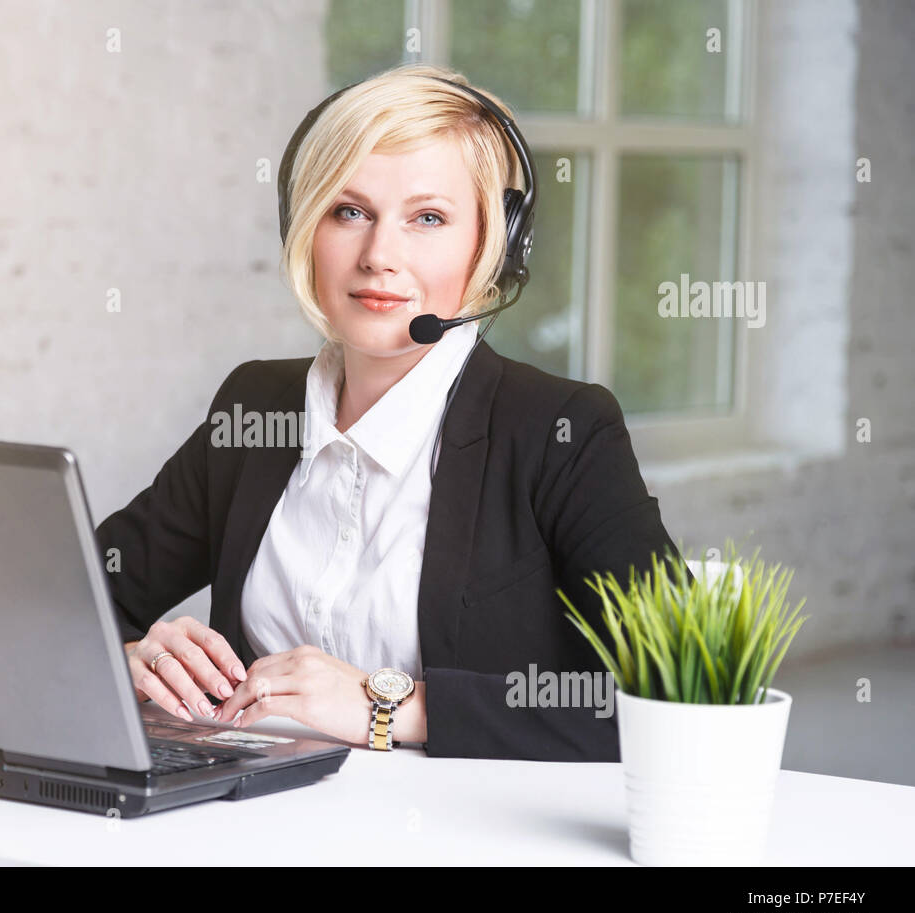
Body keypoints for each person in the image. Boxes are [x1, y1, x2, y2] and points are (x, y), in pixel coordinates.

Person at [94, 62, 682, 759]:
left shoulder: (561, 432)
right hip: (252, 825)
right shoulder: (256, 407)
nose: (379, 256)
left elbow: (686, 699)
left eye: (428, 218)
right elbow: (77, 596)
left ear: (493, 244)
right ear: (305, 224)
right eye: (350, 212)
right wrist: (123, 658)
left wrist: (395, 705)